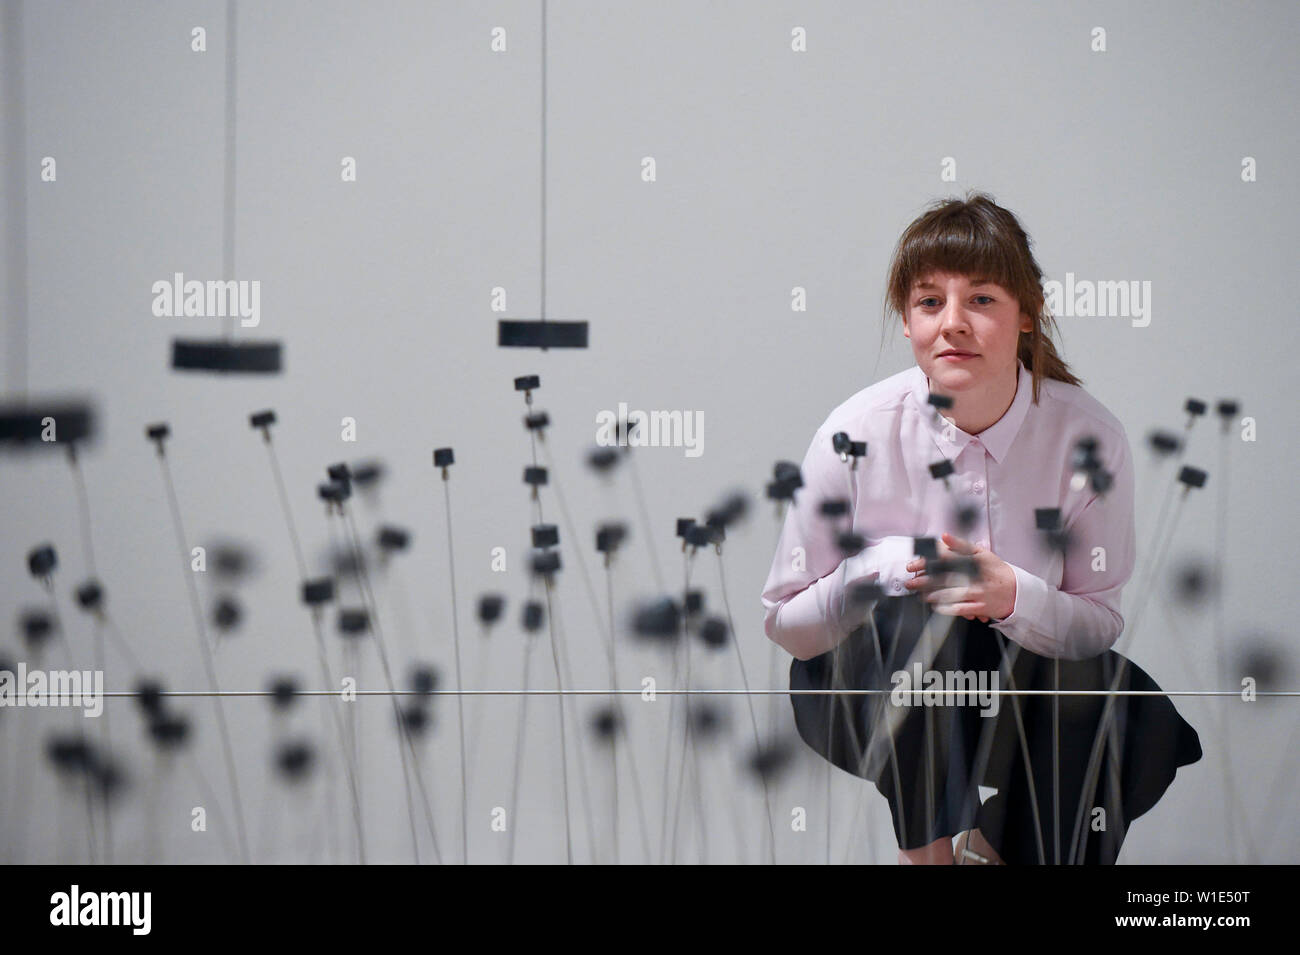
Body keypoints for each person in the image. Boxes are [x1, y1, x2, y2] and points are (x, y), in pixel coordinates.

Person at [760, 192, 1201, 864]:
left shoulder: (1090, 437)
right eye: (930, 301)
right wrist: (883, 565)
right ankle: (932, 855)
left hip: (1013, 685)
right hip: (866, 684)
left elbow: (1098, 622)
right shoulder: (854, 431)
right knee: (920, 626)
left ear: (1027, 314)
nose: (953, 323)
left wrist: (1011, 593)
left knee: (1136, 721)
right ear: (906, 323)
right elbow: (789, 625)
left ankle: (996, 852)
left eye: (982, 300)